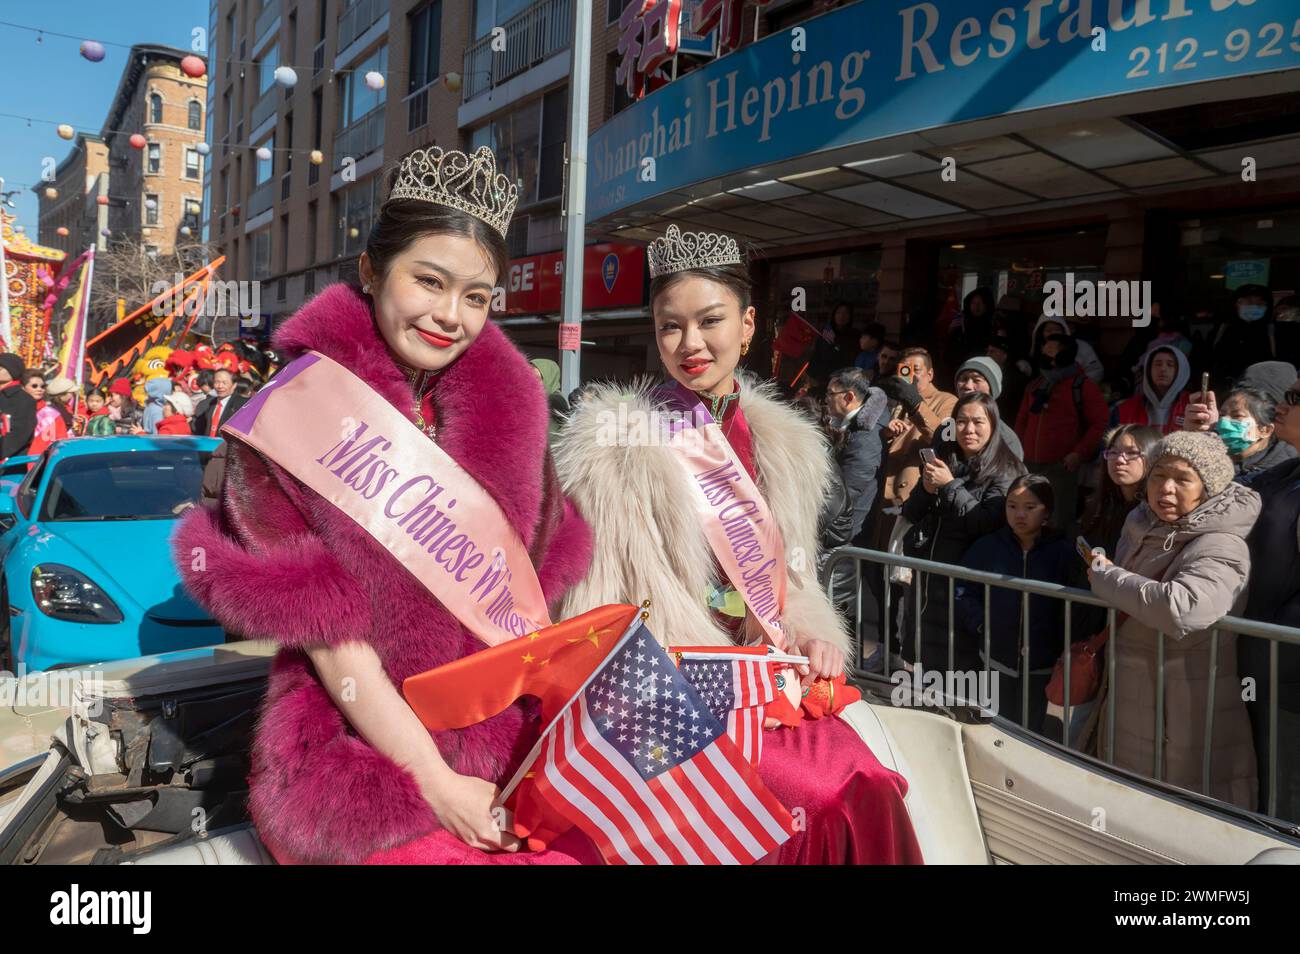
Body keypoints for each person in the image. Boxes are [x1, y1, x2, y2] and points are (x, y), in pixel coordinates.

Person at [175, 145, 597, 865]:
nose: (450, 316)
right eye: (428, 281)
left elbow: (531, 596)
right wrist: (436, 783)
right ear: (372, 271)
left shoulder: (517, 408)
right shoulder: (295, 415)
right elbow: (333, 646)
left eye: (476, 296)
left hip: (504, 740)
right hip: (356, 758)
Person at [554, 224, 923, 865]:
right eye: (671, 326)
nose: (690, 344)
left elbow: (793, 579)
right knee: (817, 796)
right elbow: (593, 611)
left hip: (769, 679)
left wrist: (811, 634)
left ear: (748, 325)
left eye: (710, 321)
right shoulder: (611, 449)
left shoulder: (784, 443)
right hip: (669, 699)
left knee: (867, 786)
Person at [1088, 431, 1260, 809]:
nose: (1166, 488)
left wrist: (1107, 578)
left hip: (1185, 706)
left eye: (1182, 479)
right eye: (1158, 476)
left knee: (1183, 813)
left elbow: (1182, 608)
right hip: (1133, 692)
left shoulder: (1222, 543)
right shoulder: (1141, 526)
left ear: (1207, 488)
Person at [898, 392, 1025, 671]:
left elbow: (988, 523)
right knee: (926, 665)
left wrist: (950, 485)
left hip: (969, 587)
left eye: (978, 422)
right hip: (931, 580)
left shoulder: (1007, 469)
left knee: (962, 669)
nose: (969, 429)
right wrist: (926, 489)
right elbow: (911, 513)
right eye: (962, 421)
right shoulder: (946, 457)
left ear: (993, 425)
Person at [956, 474, 1075, 733]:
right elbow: (963, 588)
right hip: (996, 658)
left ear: (1048, 512)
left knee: (1029, 729)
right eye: (1012, 506)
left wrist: (1063, 643)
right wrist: (980, 624)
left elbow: (1076, 606)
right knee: (995, 726)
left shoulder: (1063, 553)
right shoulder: (988, 547)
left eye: (1030, 507)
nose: (1020, 514)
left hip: (1041, 665)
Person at [1236, 370, 1300, 818]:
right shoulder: (1287, 471)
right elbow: (1229, 493)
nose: (1281, 406)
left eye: (1294, 398)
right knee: (1269, 782)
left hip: (1289, 668)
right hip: (1265, 663)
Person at [1015, 333, 1109, 531]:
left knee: (1058, 522)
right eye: (1044, 350)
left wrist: (1078, 453)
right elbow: (1022, 422)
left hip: (1061, 468)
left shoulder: (1082, 386)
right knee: (1028, 519)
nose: (1044, 355)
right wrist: (1018, 450)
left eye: (1051, 352)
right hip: (1029, 465)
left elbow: (1099, 423)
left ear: (1065, 356)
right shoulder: (1036, 385)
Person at [825, 367, 888, 548]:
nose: (826, 398)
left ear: (849, 397)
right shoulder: (846, 423)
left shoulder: (866, 436)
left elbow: (850, 488)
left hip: (848, 532)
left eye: (831, 393)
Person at [1078, 425, 1162, 558]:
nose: (1119, 460)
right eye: (1113, 452)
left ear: (1153, 457)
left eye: (1132, 453)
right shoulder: (1103, 506)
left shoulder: (1160, 513)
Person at [1215, 386, 1296, 477]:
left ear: (1265, 430)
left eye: (1237, 416)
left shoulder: (1280, 471)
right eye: (1221, 415)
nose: (1223, 421)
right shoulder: (1211, 455)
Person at [953, 356, 1023, 460]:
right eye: (963, 379)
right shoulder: (946, 430)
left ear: (992, 388)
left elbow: (1008, 475)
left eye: (977, 380)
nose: (968, 385)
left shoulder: (1006, 439)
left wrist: (949, 477)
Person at [1210, 284, 1279, 389]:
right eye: (1249, 302)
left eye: (1260, 303)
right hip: (1225, 392)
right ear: (1236, 304)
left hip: (1262, 393)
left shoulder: (1274, 331)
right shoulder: (1221, 330)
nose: (1254, 306)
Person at [1113, 344, 1191, 434]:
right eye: (1157, 364)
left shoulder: (1194, 407)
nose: (1163, 369)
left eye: (1170, 365)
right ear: (1148, 370)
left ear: (1181, 371)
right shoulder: (1124, 410)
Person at [1031, 315, 1104, 383]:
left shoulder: (1082, 347)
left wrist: (1078, 384)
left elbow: (1095, 370)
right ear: (1041, 332)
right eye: (1048, 330)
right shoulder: (1037, 349)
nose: (1053, 333)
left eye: (1057, 330)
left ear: (1064, 330)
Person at [0, 354, 37, 461]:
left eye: (1, 368)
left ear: (13, 371)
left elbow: (19, 436)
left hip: (8, 466)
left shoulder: (24, 400)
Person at [190, 368, 247, 437]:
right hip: (210, 446)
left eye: (224, 383)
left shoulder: (242, 405)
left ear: (234, 385)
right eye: (217, 382)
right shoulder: (208, 404)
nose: (220, 386)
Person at [27, 374, 70, 458]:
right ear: (23, 387)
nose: (39, 389)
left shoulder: (53, 414)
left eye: (42, 386)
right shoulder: (14, 410)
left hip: (42, 463)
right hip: (16, 462)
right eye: (34, 386)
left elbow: (62, 441)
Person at [528, 358, 569, 441]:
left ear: (548, 378)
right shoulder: (537, 399)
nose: (531, 381)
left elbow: (550, 437)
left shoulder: (555, 401)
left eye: (537, 378)